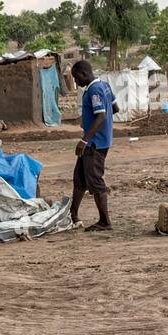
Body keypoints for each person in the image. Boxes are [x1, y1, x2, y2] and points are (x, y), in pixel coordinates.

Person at [70, 60, 115, 231]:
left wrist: (85, 140)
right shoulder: (105, 86)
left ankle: (105, 221)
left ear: (84, 74)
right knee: (80, 178)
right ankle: (73, 214)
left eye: (76, 78)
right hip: (99, 140)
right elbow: (114, 108)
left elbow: (101, 116)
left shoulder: (94, 90)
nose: (76, 82)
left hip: (94, 143)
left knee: (95, 181)